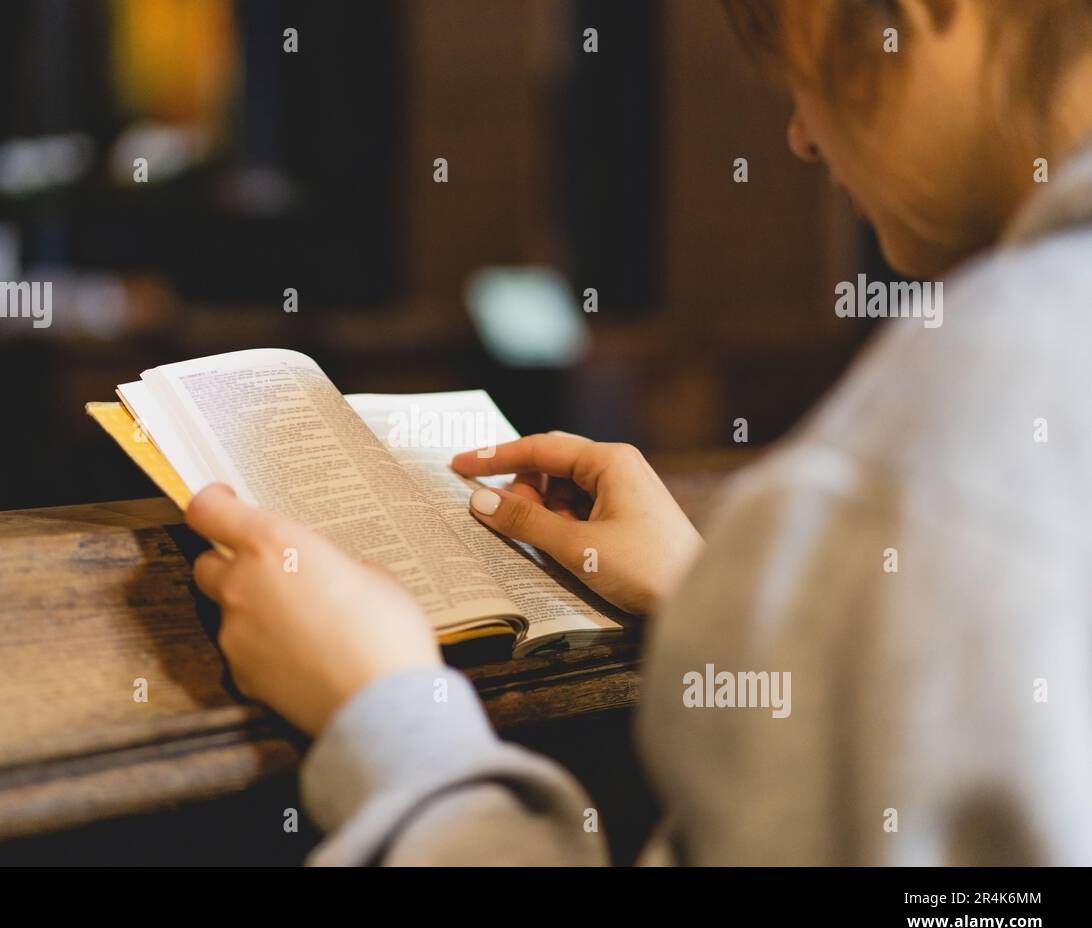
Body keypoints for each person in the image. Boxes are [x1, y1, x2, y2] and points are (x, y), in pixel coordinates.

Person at [186, 0, 1092, 865]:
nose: (802, 135)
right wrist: (716, 597)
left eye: (801, 68)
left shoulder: (917, 464)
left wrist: (384, 718)